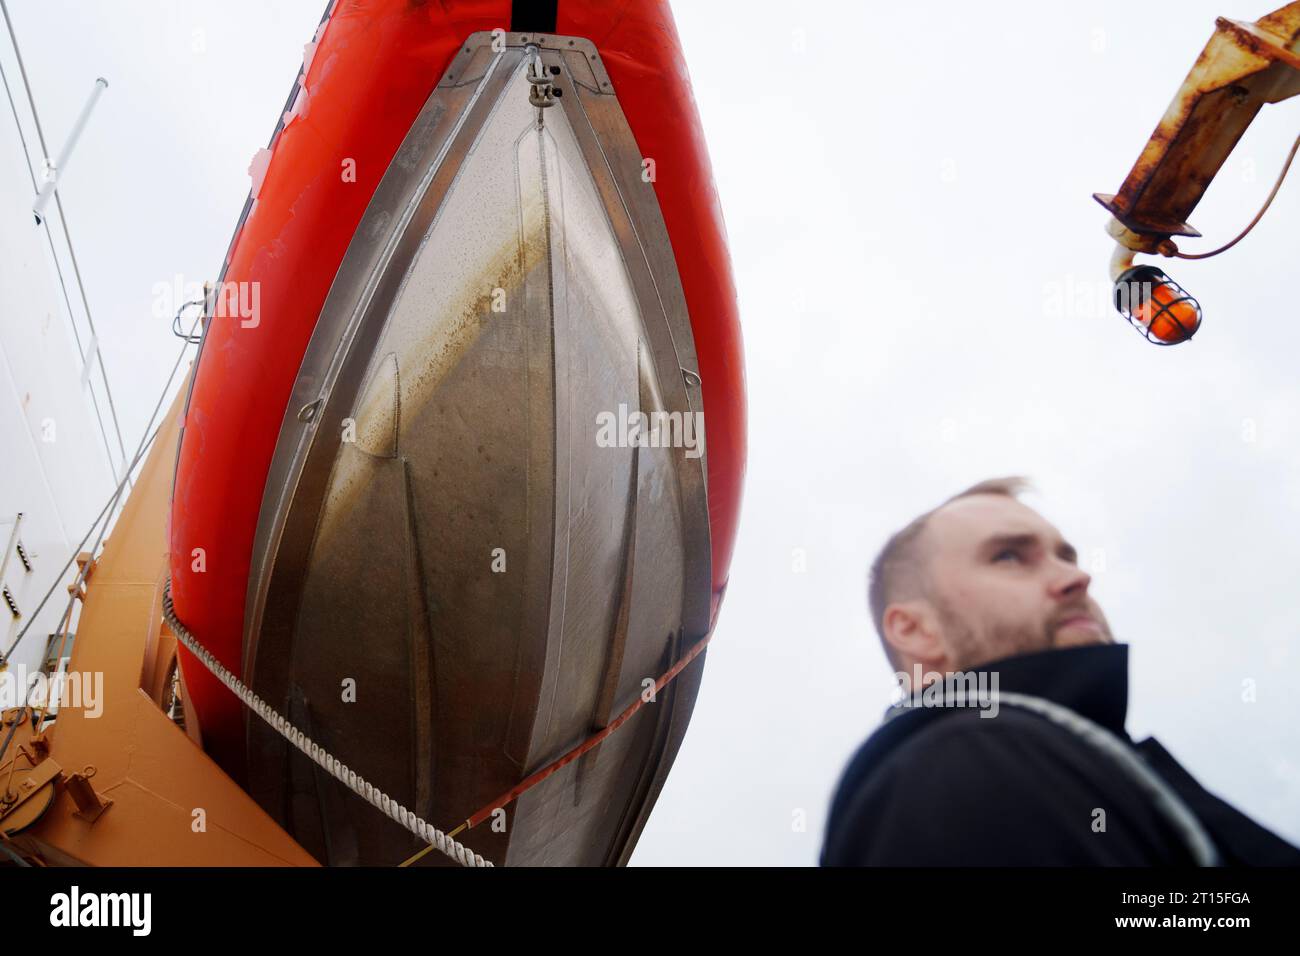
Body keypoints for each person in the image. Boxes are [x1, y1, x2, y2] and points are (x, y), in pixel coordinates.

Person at [820, 477, 1300, 866]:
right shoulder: (967, 761)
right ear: (916, 630)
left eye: (1065, 555)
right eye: (1008, 556)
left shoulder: (1073, 762)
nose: (1078, 578)